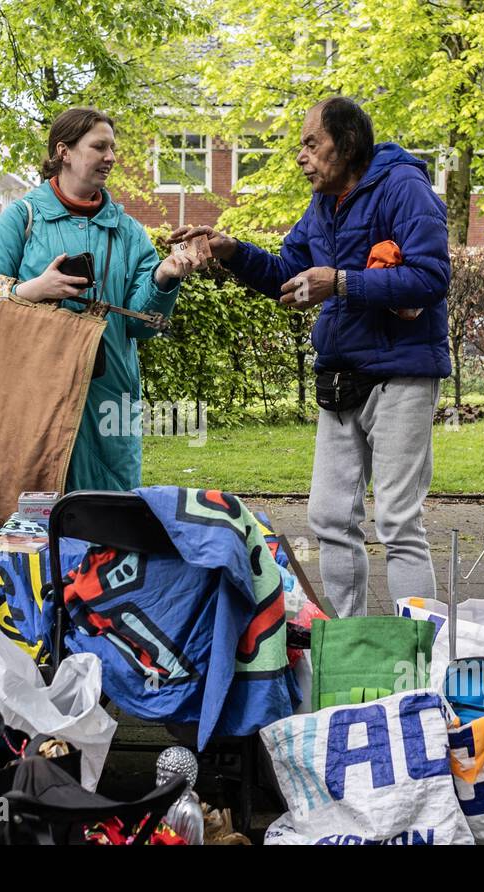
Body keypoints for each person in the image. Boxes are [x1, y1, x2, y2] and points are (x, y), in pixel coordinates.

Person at [171, 97, 451, 617]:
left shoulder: (404, 187)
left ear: (345, 146)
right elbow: (287, 272)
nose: (301, 156)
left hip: (401, 374)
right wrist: (230, 250)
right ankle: (352, 639)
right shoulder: (323, 205)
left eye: (310, 143)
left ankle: (425, 648)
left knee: (396, 521)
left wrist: (341, 281)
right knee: (327, 518)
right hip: (341, 378)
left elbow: (433, 278)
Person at [0, 107, 200, 492]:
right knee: (35, 518)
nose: (111, 157)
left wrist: (163, 277)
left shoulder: (127, 232)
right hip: (33, 393)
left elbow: (140, 325)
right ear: (64, 152)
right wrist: (31, 290)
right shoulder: (23, 218)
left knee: (109, 520)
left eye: (112, 148)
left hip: (109, 398)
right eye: (99, 147)